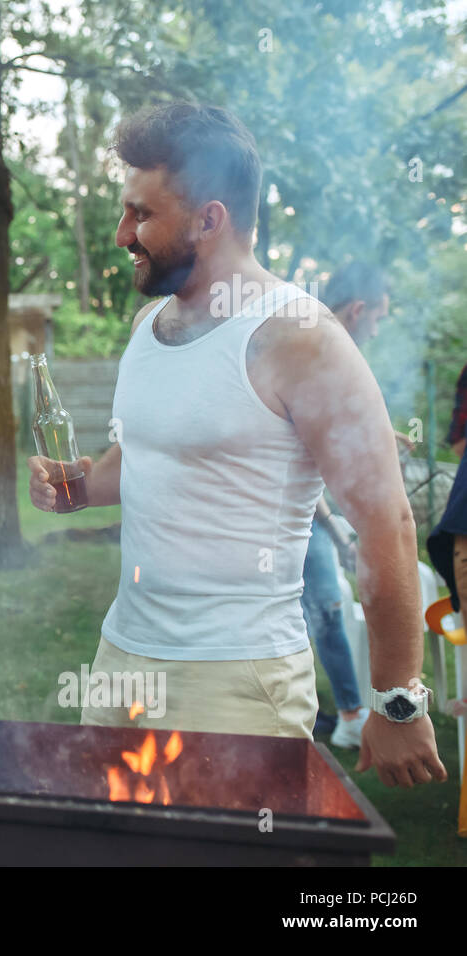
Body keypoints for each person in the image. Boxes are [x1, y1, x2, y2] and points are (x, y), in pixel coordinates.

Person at [28, 103, 445, 788]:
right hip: (122, 655)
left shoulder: (301, 338)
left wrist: (397, 702)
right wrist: (78, 485)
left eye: (141, 214)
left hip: (235, 680)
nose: (121, 234)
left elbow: (387, 522)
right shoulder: (148, 323)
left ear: (210, 219)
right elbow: (140, 458)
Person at [303, 262, 403, 748]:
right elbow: (306, 460)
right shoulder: (322, 354)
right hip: (292, 520)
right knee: (323, 609)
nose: (378, 329)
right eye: (378, 318)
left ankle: (329, 712)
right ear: (358, 310)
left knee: (315, 612)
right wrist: (343, 533)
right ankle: (348, 716)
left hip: (302, 516)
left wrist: (378, 436)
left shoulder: (308, 344)